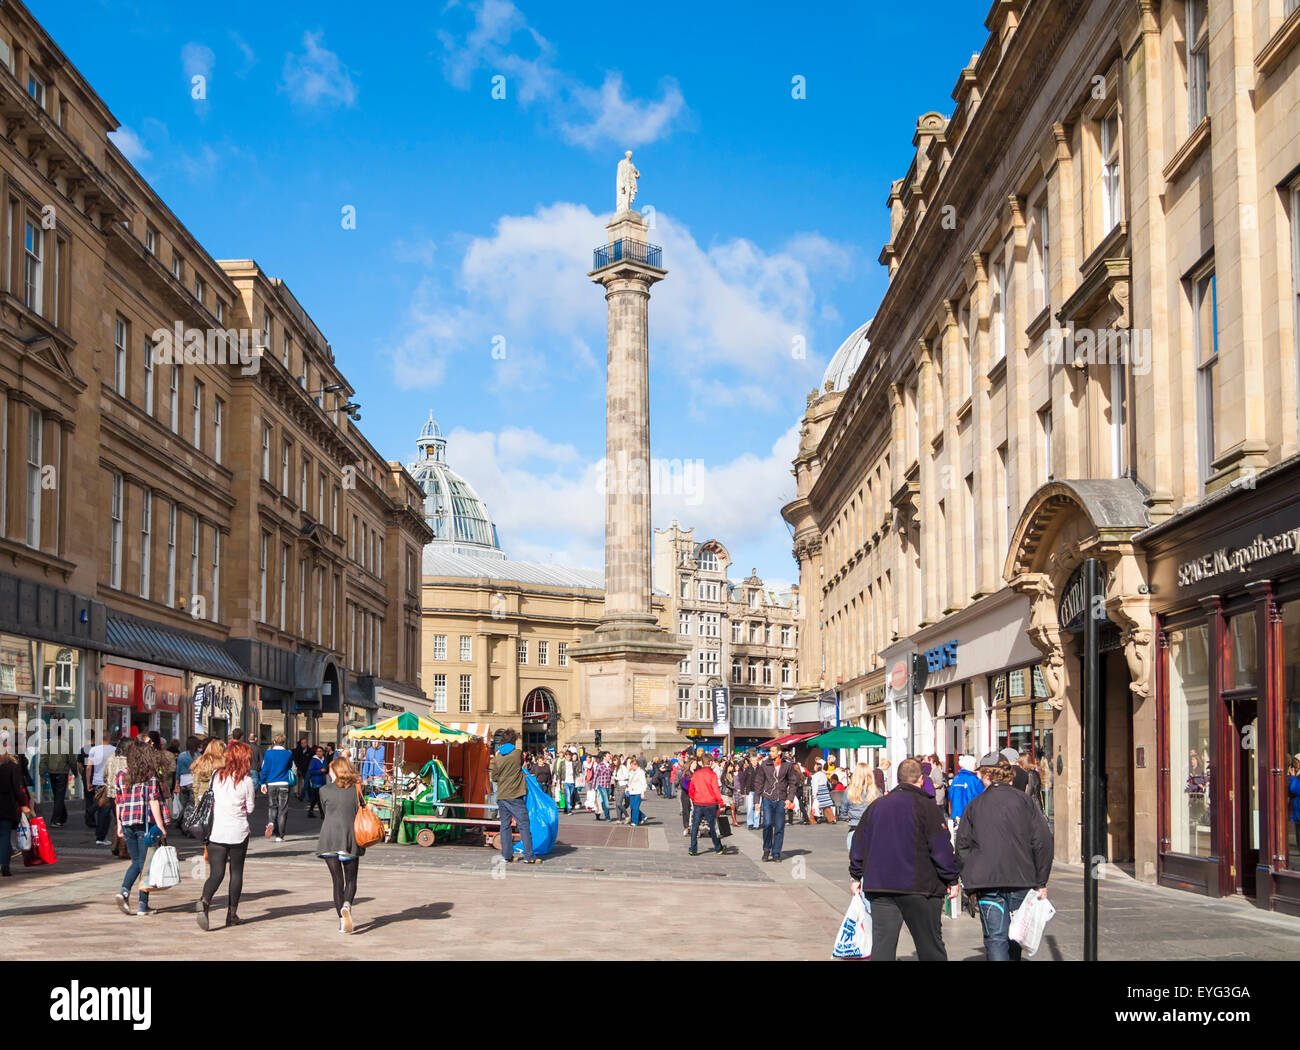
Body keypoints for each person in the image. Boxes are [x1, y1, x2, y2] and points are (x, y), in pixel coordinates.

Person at [848, 757, 960, 962]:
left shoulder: (877, 806)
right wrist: (952, 878)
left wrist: (856, 875)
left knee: (883, 945)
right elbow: (941, 848)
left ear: (899, 779)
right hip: (919, 886)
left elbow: (859, 843)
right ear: (920, 780)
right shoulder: (927, 807)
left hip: (881, 886)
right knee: (930, 945)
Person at [955, 752, 1053, 961]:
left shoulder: (975, 806)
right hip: (1021, 879)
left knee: (996, 938)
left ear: (986, 775)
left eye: (981, 774)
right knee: (1014, 936)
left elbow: (962, 847)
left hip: (987, 882)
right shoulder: (1025, 802)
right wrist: (1041, 880)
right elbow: (1043, 841)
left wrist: (969, 882)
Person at [197, 740, 256, 930]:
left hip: (216, 831)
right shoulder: (246, 781)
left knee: (216, 873)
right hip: (238, 831)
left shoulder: (216, 775)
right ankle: (231, 914)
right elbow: (251, 808)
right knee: (236, 872)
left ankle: (205, 901)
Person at [112, 741, 169, 916]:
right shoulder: (149, 777)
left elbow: (118, 802)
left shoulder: (121, 775)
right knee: (146, 864)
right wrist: (160, 826)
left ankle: (126, 893)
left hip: (128, 823)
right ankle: (140, 903)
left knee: (136, 862)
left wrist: (119, 825)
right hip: (145, 825)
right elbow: (153, 801)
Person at [317, 754, 367, 932]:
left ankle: (341, 919)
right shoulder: (357, 789)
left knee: (337, 880)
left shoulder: (324, 790)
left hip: (328, 837)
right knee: (351, 879)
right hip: (349, 837)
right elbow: (362, 809)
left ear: (335, 771)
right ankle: (347, 905)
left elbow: (325, 812)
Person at [489, 729, 540, 865]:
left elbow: (493, 777)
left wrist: (497, 757)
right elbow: (520, 765)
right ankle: (528, 856)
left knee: (505, 826)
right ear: (513, 740)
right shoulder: (517, 754)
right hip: (515, 795)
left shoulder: (498, 757)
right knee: (523, 824)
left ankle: (507, 855)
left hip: (502, 796)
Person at [751, 744, 802, 862]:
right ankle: (766, 849)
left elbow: (793, 782)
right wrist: (756, 800)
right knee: (768, 824)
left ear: (779, 752)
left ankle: (776, 853)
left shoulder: (787, 765)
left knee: (779, 827)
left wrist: (790, 798)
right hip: (767, 798)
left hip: (781, 799)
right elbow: (759, 782)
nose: (770, 753)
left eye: (773, 751)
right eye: (770, 751)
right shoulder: (765, 764)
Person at [686, 755, 727, 856]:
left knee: (695, 826)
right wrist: (721, 803)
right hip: (710, 803)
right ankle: (718, 848)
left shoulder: (696, 774)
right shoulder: (712, 775)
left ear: (702, 763)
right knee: (712, 826)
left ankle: (693, 848)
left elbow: (691, 788)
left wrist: (693, 798)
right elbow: (716, 790)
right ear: (710, 763)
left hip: (698, 803)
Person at [258, 733, 295, 841]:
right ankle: (280, 836)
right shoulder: (288, 753)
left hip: (271, 783)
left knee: (272, 806)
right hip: (283, 783)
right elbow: (289, 767)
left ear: (274, 742)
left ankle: (270, 822)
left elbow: (264, 768)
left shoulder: (268, 753)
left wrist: (262, 783)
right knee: (283, 810)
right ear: (284, 742)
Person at [0, 751, 31, 877]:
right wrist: (23, 805)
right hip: (6, 805)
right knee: (4, 835)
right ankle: (5, 866)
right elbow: (17, 789)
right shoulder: (12, 766)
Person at [85, 731, 118, 845]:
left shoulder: (93, 750)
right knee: (105, 811)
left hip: (97, 783)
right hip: (110, 783)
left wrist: (88, 782)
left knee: (102, 808)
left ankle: (92, 811)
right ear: (109, 737)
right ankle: (101, 837)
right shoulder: (114, 750)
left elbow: (89, 767)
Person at [839, 762, 881, 851]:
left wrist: (849, 817)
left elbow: (843, 813)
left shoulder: (849, 792)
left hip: (855, 829)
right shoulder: (877, 793)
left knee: (855, 862)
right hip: (872, 831)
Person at [44, 734, 75, 828]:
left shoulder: (48, 744)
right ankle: (55, 820)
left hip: (52, 772)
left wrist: (42, 772)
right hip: (62, 772)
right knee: (59, 796)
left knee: (58, 796)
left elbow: (43, 759)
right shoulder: (66, 744)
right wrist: (75, 771)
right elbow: (72, 760)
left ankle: (62, 816)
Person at [948, 755, 984, 832]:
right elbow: (982, 797)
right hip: (969, 817)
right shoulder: (974, 780)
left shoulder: (956, 779)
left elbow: (950, 796)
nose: (976, 767)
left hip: (955, 815)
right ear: (970, 765)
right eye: (975, 764)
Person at [192, 739, 225, 803]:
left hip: (202, 795)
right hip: (219, 796)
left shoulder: (201, 761)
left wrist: (196, 800)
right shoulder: (224, 762)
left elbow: (196, 783)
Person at [175, 737, 200, 818]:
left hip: (183, 781)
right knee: (193, 803)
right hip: (194, 780)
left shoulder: (181, 756)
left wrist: (177, 784)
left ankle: (182, 820)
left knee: (184, 803)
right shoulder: (199, 756)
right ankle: (190, 820)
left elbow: (178, 771)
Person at [307, 746, 328, 817]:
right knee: (319, 797)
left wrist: (325, 770)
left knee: (316, 797)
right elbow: (311, 771)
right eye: (317, 751)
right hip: (315, 781)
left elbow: (326, 768)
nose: (318, 753)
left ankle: (310, 811)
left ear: (323, 752)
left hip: (323, 780)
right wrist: (319, 771)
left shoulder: (324, 760)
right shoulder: (314, 760)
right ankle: (322, 814)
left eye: (320, 751)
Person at [626, 757, 648, 827]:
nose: (631, 767)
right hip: (632, 792)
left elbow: (643, 783)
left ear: (636, 765)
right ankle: (642, 816)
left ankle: (634, 821)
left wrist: (642, 792)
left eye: (632, 765)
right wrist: (627, 789)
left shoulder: (641, 772)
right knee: (632, 806)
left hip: (638, 792)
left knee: (635, 807)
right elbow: (629, 782)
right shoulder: (631, 772)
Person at [591, 752, 613, 821]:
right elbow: (595, 776)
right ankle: (607, 817)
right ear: (604, 757)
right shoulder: (600, 765)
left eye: (610, 756)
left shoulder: (610, 765)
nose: (609, 757)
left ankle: (598, 811)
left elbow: (611, 775)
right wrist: (593, 786)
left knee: (603, 801)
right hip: (602, 785)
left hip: (608, 786)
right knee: (606, 802)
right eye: (608, 756)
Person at [291, 737, 313, 802]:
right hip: (300, 768)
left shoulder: (310, 751)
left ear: (306, 743)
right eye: (302, 743)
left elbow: (312, 759)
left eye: (304, 743)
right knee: (307, 784)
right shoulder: (298, 750)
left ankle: (302, 796)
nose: (303, 744)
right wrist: (298, 766)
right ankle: (311, 797)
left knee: (306, 782)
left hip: (308, 769)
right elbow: (295, 758)